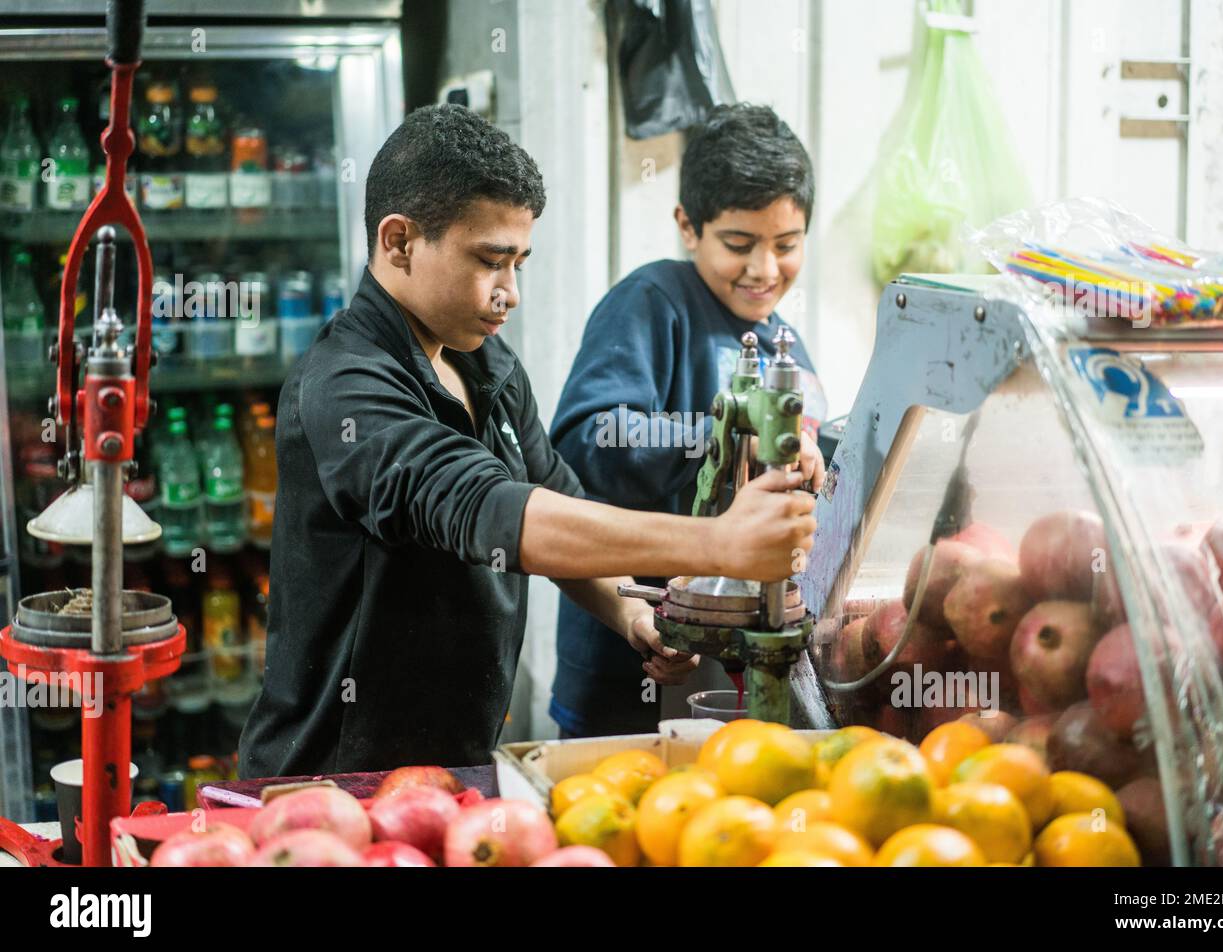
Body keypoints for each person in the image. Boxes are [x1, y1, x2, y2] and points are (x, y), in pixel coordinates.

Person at [237, 105, 816, 777]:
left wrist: (628, 608)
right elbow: (490, 511)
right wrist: (717, 543)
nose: (510, 292)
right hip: (334, 778)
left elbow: (551, 494)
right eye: (490, 261)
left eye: (519, 263)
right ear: (399, 243)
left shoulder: (487, 365)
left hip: (454, 766)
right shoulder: (346, 384)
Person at [548, 103, 829, 738]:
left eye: (786, 245)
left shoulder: (788, 347)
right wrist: (723, 438)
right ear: (687, 225)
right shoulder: (652, 304)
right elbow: (588, 439)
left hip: (743, 660)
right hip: (637, 663)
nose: (764, 269)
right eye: (739, 244)